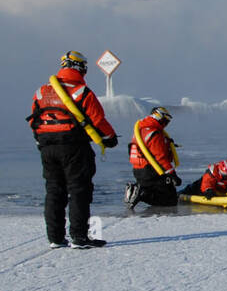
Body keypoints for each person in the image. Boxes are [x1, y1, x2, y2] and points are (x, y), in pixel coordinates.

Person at [26, 51, 117, 248]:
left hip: (47, 148)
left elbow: (34, 119)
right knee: (79, 191)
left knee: (54, 191)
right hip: (74, 147)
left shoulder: (42, 91)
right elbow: (98, 120)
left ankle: (55, 238)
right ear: (80, 67)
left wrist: (41, 140)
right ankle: (79, 237)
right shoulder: (82, 91)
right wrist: (110, 139)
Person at [125, 106, 182, 208]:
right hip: (151, 171)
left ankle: (136, 190)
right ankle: (141, 193)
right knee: (171, 200)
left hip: (139, 171)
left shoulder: (141, 129)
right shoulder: (155, 133)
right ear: (158, 117)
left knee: (161, 192)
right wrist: (173, 175)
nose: (166, 124)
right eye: (165, 120)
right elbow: (161, 158)